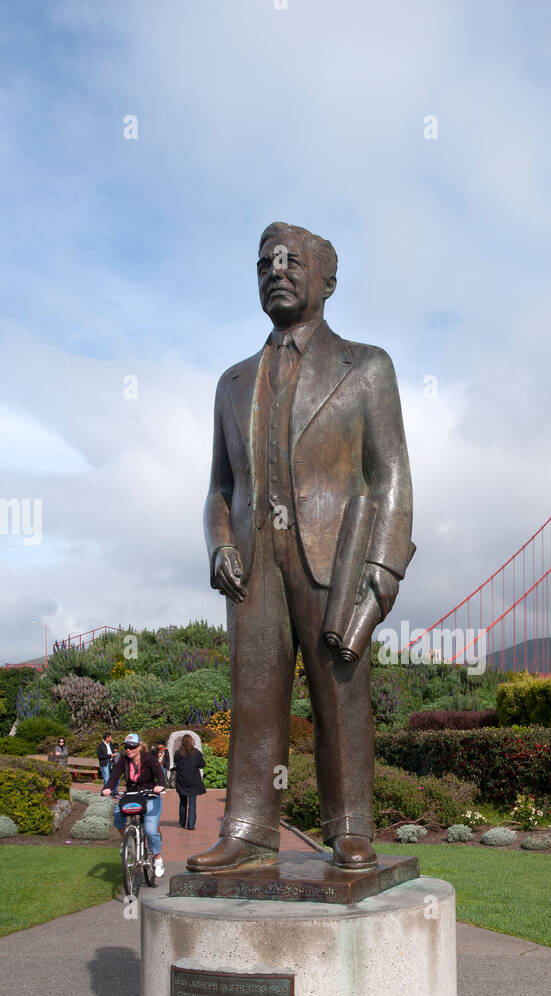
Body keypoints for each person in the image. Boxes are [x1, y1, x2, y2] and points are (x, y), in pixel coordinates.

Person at [187, 221, 412, 875]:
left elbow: (391, 476)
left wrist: (381, 573)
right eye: (264, 262)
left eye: (291, 261)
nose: (275, 270)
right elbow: (219, 489)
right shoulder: (233, 383)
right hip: (254, 568)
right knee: (255, 700)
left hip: (332, 558)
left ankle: (349, 828)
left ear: (327, 281)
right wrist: (218, 542)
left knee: (340, 695)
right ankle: (251, 828)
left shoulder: (367, 367)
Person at [102, 732, 166, 877]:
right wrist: (108, 788)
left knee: (150, 830)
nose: (129, 750)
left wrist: (160, 786)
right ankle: (128, 843)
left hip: (150, 795)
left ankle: (157, 858)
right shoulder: (124, 760)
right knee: (118, 818)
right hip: (132, 795)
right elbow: (114, 776)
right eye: (126, 747)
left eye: (132, 747)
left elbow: (160, 774)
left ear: (139, 746)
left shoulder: (149, 758)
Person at [173, 733, 206, 831]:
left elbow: (176, 763)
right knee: (192, 803)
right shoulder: (196, 753)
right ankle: (191, 825)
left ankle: (182, 822)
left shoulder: (178, 753)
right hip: (193, 781)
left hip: (182, 780)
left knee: (182, 802)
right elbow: (202, 764)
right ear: (191, 741)